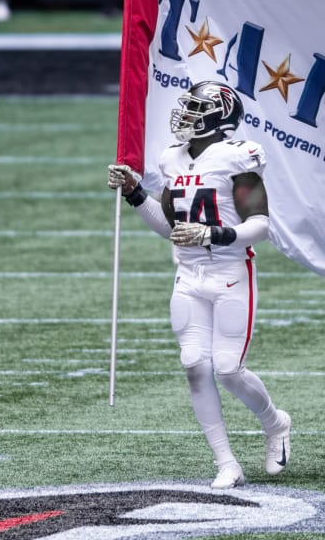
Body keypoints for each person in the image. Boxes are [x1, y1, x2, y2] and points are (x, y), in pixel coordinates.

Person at [106, 80, 291, 489]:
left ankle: (275, 422)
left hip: (229, 273)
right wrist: (135, 192)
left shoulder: (235, 157)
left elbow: (260, 224)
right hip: (189, 275)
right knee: (193, 364)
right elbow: (169, 227)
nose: (185, 115)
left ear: (217, 118)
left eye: (195, 108)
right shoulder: (172, 159)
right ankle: (226, 463)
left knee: (227, 369)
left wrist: (214, 236)